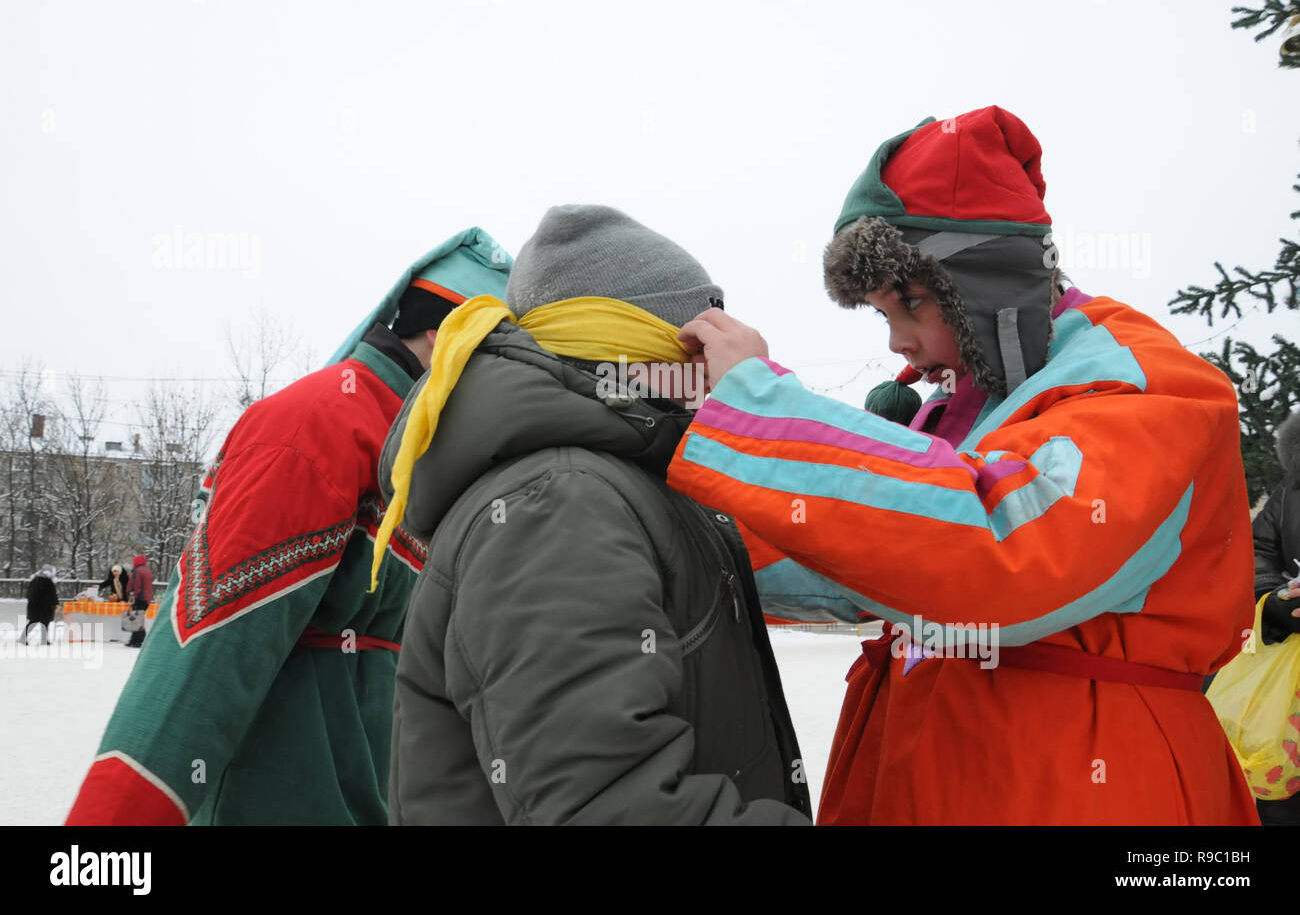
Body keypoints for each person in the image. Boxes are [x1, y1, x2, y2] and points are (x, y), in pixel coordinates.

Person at [667, 105, 1259, 824]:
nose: (899, 345)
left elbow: (998, 552)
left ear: (985, 285)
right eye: (883, 315)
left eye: (911, 305)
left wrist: (763, 410)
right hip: (940, 771)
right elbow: (862, 562)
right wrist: (670, 523)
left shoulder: (1147, 386)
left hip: (1083, 786)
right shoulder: (976, 404)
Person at [377, 205, 811, 824]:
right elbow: (606, 803)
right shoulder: (558, 501)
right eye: (702, 339)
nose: (715, 374)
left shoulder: (615, 487)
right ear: (643, 343)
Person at [66, 228, 512, 825]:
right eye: (493, 354)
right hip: (275, 799)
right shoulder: (314, 426)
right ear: (441, 335)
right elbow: (209, 648)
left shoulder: (433, 451)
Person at [1250, 408, 1300, 825]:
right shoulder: (1292, 489)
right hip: (1292, 682)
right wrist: (1276, 599)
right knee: (1282, 799)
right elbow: (1260, 552)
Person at [21, 564, 59, 646]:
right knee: (44, 623)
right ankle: (44, 640)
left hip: (34, 606)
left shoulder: (35, 581)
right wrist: (55, 603)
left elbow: (28, 594)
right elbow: (52, 595)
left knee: (32, 622)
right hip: (45, 607)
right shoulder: (49, 582)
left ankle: (23, 638)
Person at [123, 553, 153, 648]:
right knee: (138, 619)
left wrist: (132, 597)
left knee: (136, 620)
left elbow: (134, 586)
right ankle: (134, 640)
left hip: (139, 598)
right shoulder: (147, 570)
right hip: (146, 599)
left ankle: (138, 641)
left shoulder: (137, 571)